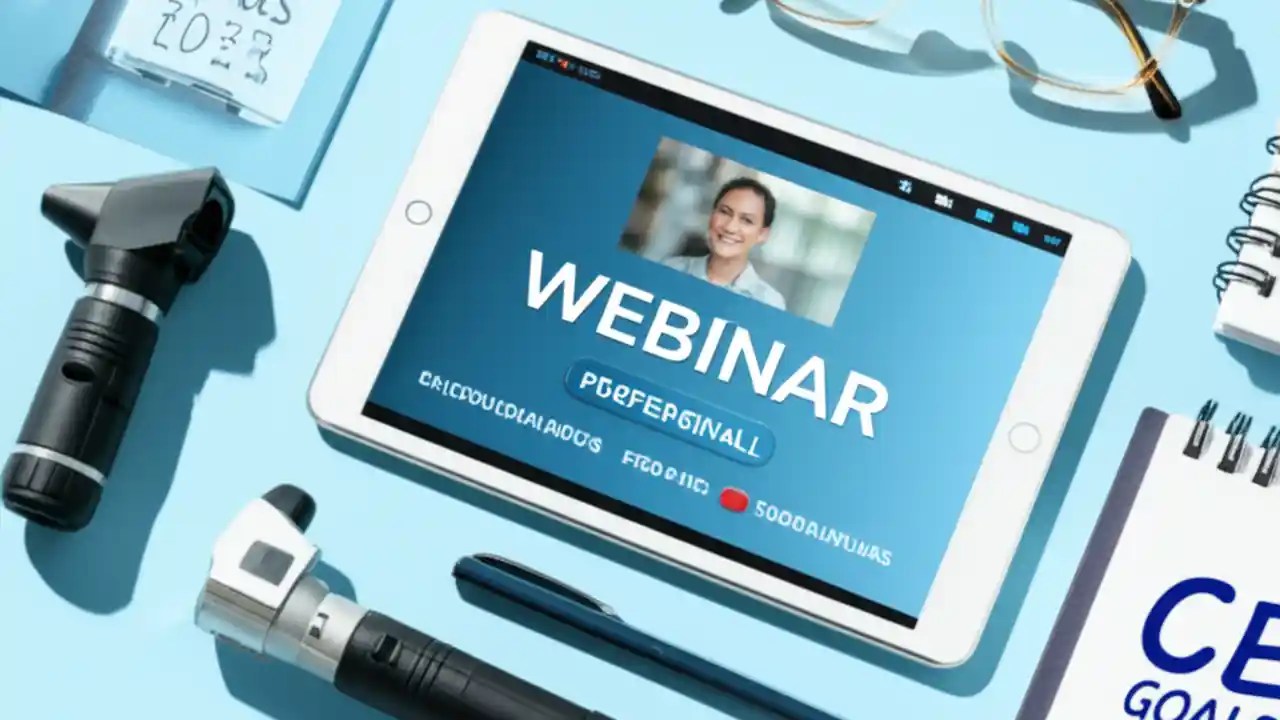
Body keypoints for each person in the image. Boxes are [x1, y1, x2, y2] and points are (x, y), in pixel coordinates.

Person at [663, 177, 786, 311]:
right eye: (724, 212)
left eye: (747, 220)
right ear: (712, 214)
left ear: (762, 234)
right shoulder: (670, 269)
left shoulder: (769, 303)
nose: (730, 227)